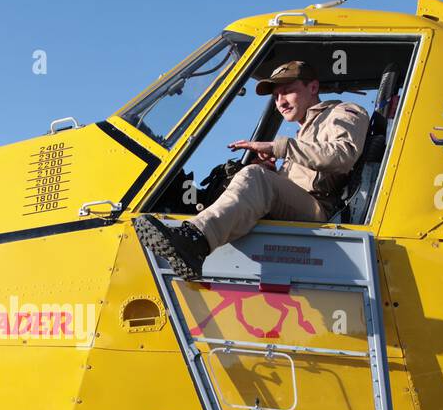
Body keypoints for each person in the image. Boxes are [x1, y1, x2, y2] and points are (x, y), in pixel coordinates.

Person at [134, 60, 368, 281]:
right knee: (244, 177)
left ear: (313, 86)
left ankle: (194, 241)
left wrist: (277, 148)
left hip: (321, 210)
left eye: (287, 91)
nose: (281, 102)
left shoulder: (343, 112)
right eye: (276, 96)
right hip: (300, 205)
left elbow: (342, 155)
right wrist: (271, 170)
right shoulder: (302, 133)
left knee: (255, 178)